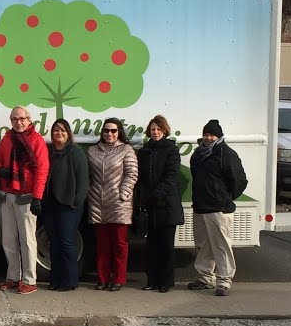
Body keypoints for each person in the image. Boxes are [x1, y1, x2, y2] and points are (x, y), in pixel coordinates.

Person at [187, 119, 248, 297]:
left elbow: (239, 180)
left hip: (219, 208)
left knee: (222, 246)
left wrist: (226, 197)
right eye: (206, 134)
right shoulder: (198, 154)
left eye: (212, 134)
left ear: (219, 136)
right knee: (203, 244)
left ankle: (224, 280)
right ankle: (206, 277)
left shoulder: (226, 154)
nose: (208, 138)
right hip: (200, 206)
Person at [0, 106, 50, 295]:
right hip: (7, 194)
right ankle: (13, 277)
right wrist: (0, 171)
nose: (18, 122)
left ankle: (29, 279)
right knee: (8, 239)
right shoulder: (7, 139)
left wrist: (38, 197)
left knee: (27, 240)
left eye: (22, 118)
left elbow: (42, 170)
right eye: (14, 119)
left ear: (29, 119)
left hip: (26, 196)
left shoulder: (36, 140)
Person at [86, 117, 138, 291]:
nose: (109, 134)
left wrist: (122, 195)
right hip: (97, 204)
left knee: (119, 245)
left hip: (118, 205)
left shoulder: (126, 150)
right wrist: (89, 192)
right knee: (102, 245)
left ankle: (118, 279)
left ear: (119, 132)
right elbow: (87, 176)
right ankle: (102, 278)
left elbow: (131, 174)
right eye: (106, 130)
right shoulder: (92, 151)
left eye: (113, 131)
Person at [135, 115, 185, 293]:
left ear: (164, 131)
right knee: (151, 247)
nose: (155, 132)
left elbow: (171, 176)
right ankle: (152, 280)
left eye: (159, 129)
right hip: (150, 206)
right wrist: (143, 197)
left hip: (167, 205)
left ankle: (165, 282)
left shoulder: (171, 150)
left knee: (166, 246)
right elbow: (140, 178)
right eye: (153, 129)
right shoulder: (144, 151)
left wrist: (156, 195)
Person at [41, 119, 89, 292]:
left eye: (62, 130)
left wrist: (76, 202)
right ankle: (55, 279)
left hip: (69, 206)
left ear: (68, 133)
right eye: (55, 130)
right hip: (50, 205)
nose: (58, 133)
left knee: (67, 242)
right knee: (53, 243)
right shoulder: (49, 152)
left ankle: (70, 281)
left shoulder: (75, 152)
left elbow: (83, 181)